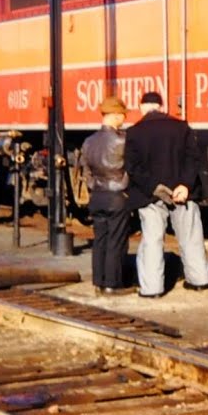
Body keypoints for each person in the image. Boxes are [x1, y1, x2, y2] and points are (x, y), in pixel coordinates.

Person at [124, 91, 208, 297]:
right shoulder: (182, 127)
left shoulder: (135, 132)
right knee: (191, 236)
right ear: (162, 107)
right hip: (183, 193)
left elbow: (133, 168)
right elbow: (194, 159)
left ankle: (152, 289)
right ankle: (199, 280)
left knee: (153, 240)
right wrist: (185, 185)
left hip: (151, 195)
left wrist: (154, 187)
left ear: (142, 107)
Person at [78, 96, 135, 296]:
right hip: (117, 195)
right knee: (116, 241)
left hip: (97, 196)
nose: (124, 119)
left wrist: (94, 187)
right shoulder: (122, 140)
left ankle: (98, 282)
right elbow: (132, 168)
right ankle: (112, 284)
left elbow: (85, 172)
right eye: (123, 115)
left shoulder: (89, 142)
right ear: (116, 115)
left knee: (99, 239)